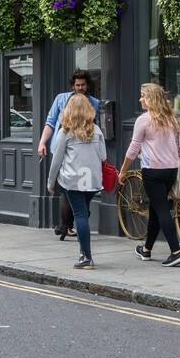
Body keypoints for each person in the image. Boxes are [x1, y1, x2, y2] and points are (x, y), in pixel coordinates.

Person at [118, 82, 180, 267]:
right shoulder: (171, 118)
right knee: (156, 209)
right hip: (171, 170)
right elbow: (177, 146)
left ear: (150, 99)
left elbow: (133, 149)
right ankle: (146, 249)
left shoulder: (143, 120)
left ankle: (176, 251)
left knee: (162, 210)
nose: (140, 99)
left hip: (153, 172)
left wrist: (123, 171)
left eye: (142, 96)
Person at [38, 70, 102, 239]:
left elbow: (95, 128)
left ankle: (68, 224)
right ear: (73, 85)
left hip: (84, 154)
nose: (80, 88)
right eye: (77, 85)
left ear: (87, 85)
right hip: (61, 148)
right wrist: (42, 142)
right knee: (67, 191)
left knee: (81, 190)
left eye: (83, 85)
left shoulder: (94, 103)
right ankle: (67, 225)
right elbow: (50, 122)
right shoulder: (61, 99)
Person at [46, 93, 106, 269]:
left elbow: (56, 161)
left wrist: (50, 184)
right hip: (92, 179)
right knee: (83, 214)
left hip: (72, 180)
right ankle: (83, 253)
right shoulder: (96, 130)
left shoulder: (65, 132)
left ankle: (86, 257)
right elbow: (103, 157)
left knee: (80, 216)